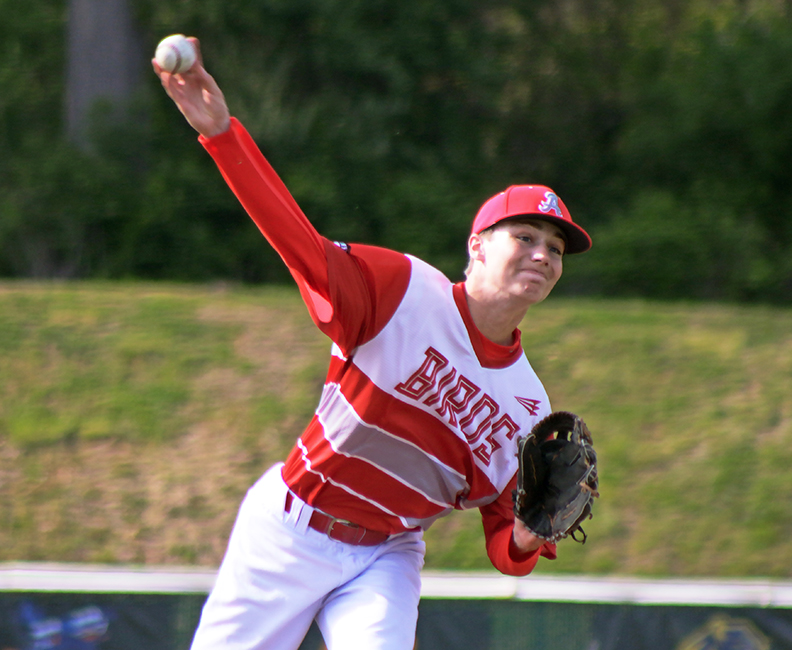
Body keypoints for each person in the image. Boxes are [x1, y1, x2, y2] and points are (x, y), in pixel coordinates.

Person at [153, 37, 592, 650]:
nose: (543, 253)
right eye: (525, 236)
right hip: (291, 528)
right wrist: (224, 136)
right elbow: (299, 244)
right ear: (478, 245)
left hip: (387, 554)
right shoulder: (404, 291)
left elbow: (505, 542)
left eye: (556, 248)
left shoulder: (529, 409)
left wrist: (523, 535)